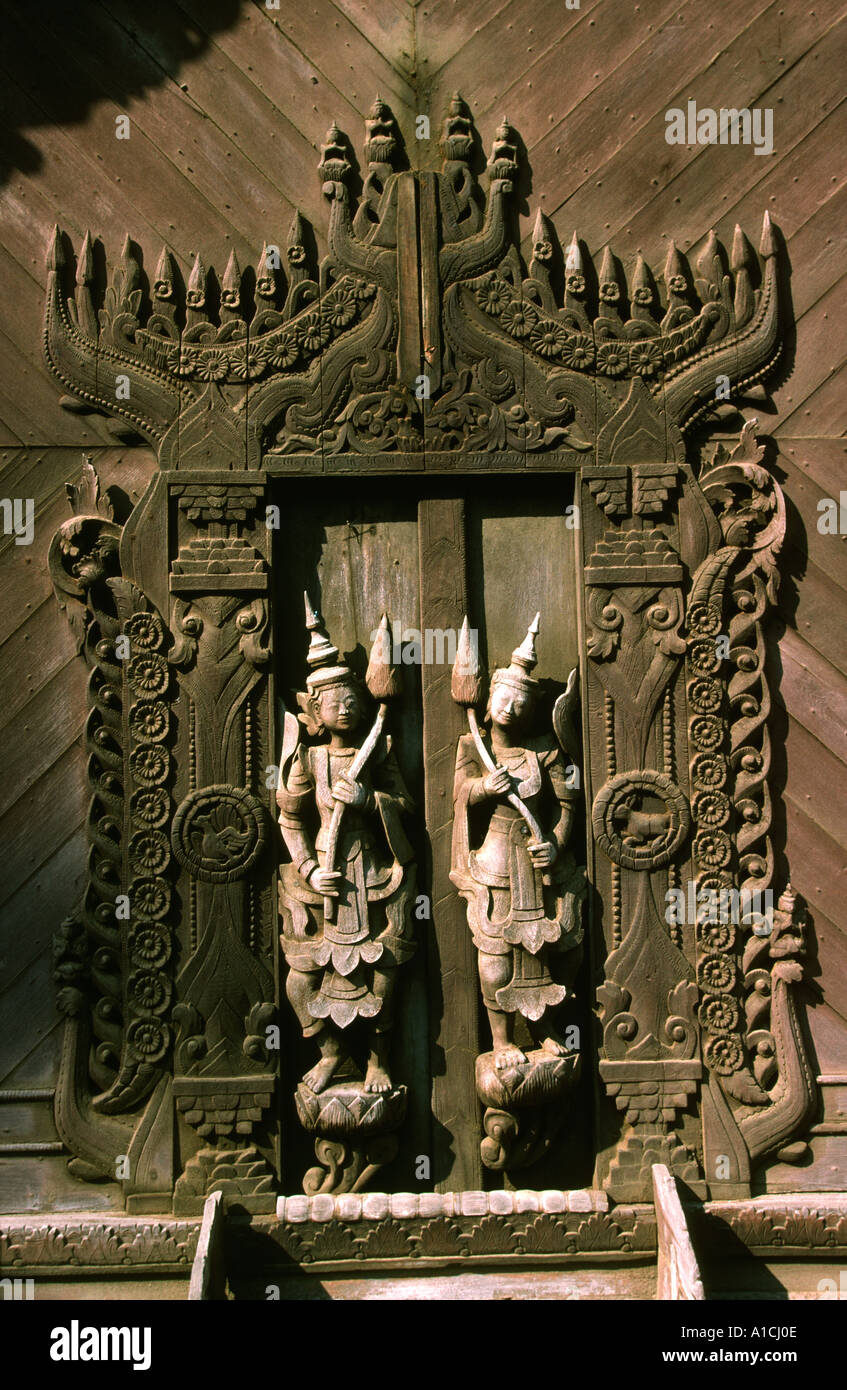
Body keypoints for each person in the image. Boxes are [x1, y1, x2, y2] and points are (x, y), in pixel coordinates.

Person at [450, 618, 584, 1073]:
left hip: (535, 863)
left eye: (520, 702)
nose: (509, 708)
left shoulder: (544, 754)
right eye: (503, 698)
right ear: (487, 702)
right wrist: (484, 788)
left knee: (544, 951)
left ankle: (544, 1029)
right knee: (495, 960)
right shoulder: (472, 746)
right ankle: (502, 1037)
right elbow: (460, 796)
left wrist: (558, 844)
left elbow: (569, 807)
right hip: (495, 864)